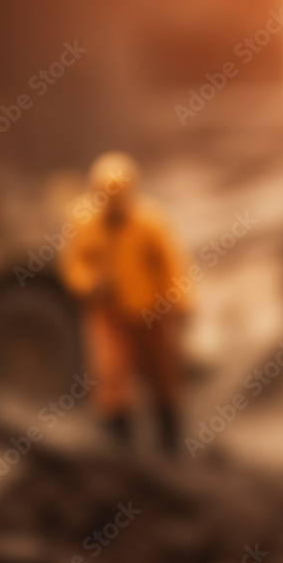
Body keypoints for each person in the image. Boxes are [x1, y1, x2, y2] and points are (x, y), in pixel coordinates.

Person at [59, 152, 188, 451]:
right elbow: (73, 265)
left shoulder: (151, 222)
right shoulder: (83, 223)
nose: (113, 203)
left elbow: (171, 267)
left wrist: (179, 302)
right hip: (110, 313)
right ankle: (120, 450)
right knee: (111, 376)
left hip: (153, 311)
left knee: (164, 376)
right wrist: (89, 283)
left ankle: (171, 447)